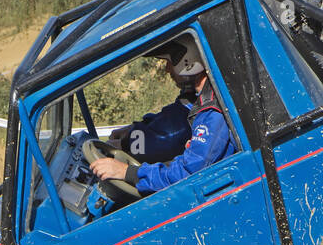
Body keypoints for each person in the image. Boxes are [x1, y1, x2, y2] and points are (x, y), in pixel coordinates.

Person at [90, 37, 235, 194]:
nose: (167, 70)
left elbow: (188, 173)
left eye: (169, 62)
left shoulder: (211, 111)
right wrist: (133, 130)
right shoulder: (201, 98)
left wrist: (128, 172)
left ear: (186, 60)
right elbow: (172, 117)